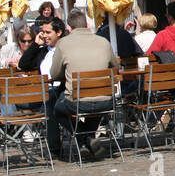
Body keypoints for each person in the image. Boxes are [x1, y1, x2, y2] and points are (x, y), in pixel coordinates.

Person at [47, 10, 120, 160]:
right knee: (95, 104)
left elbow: (54, 74)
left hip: (78, 102)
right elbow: (116, 67)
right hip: (106, 101)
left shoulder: (63, 44)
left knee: (58, 108)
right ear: (87, 25)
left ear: (69, 28)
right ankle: (88, 140)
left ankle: (85, 139)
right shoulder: (103, 41)